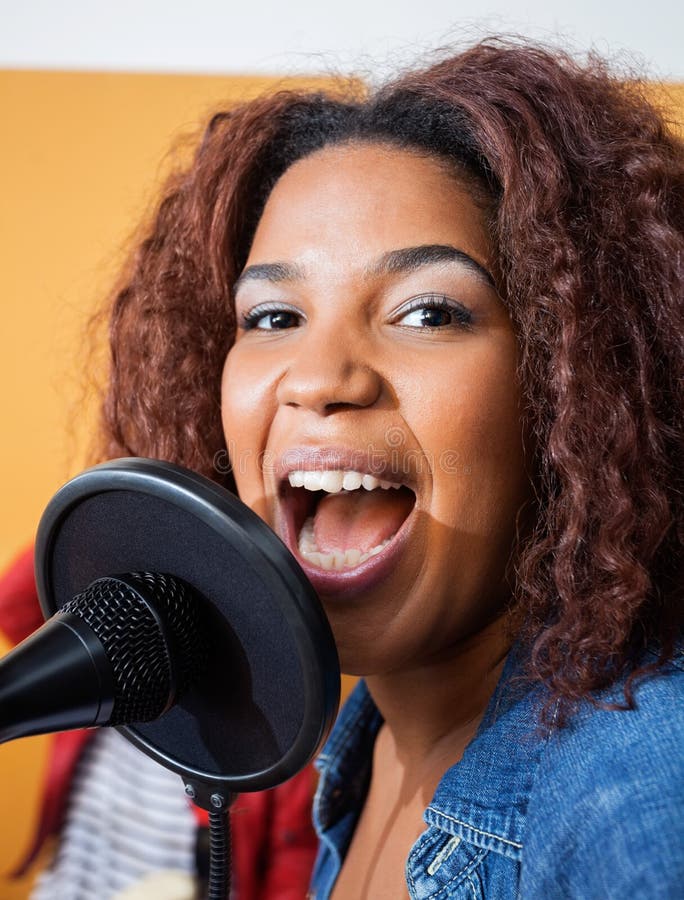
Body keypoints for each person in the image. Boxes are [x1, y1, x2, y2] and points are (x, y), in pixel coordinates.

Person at [79, 37, 684, 897]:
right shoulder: (356, 750)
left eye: (428, 311)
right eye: (276, 315)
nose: (322, 378)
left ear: (576, 387)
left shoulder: (637, 805)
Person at [0, 547, 319, 899]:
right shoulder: (99, 672)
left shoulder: (277, 735)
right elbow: (12, 607)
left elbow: (293, 860)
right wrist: (122, 514)